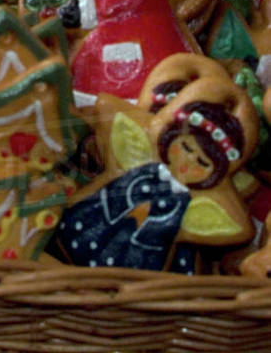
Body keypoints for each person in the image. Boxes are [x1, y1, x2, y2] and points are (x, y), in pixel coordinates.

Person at [54, 98, 244, 271]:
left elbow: (238, 227)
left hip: (143, 259)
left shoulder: (186, 202)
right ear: (172, 137)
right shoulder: (145, 166)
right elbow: (107, 106)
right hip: (97, 223)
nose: (188, 161)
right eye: (185, 148)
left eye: (202, 163)